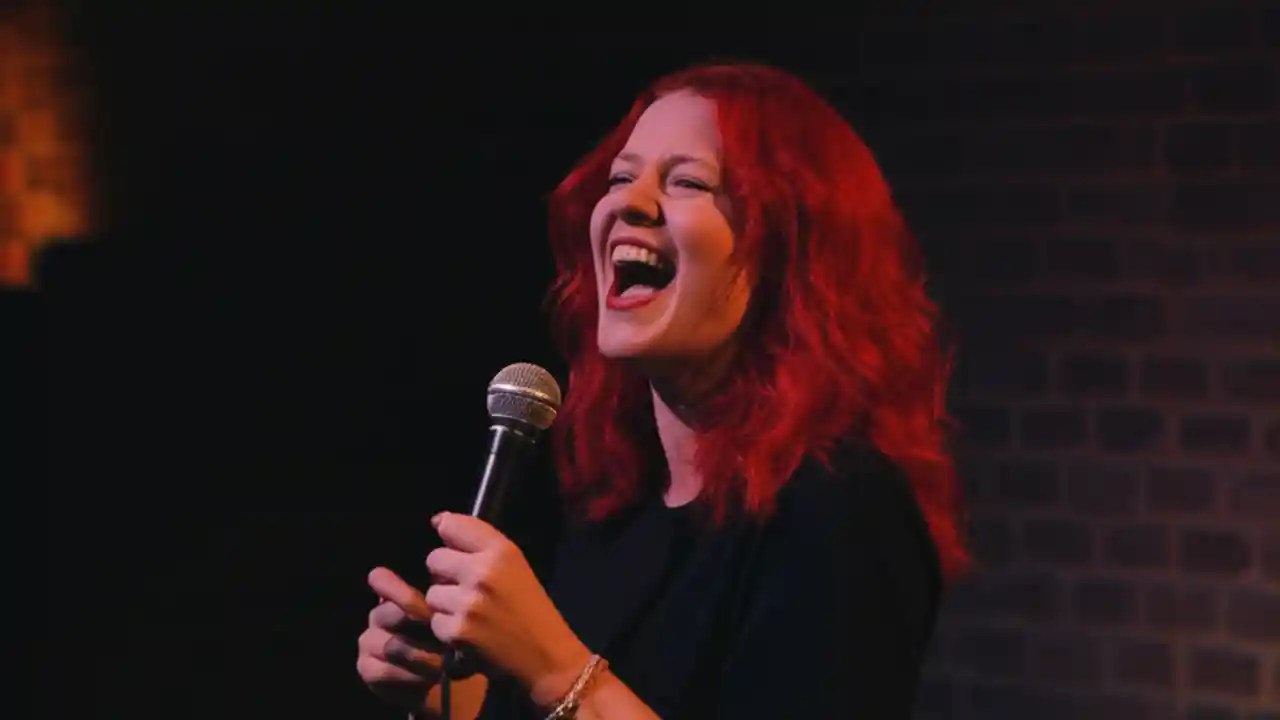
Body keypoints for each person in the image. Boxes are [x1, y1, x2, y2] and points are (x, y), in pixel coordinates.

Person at [355, 61, 970, 719]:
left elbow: (571, 687)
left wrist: (557, 669)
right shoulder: (621, 499)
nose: (628, 202)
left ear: (789, 252)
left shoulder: (843, 513)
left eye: (688, 182)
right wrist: (454, 696)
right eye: (620, 177)